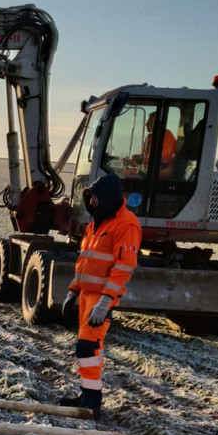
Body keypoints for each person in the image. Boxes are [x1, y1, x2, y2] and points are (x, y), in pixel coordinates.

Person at [59, 173, 141, 420]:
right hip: (86, 296)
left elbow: (123, 269)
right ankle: (88, 395)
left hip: (100, 300)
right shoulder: (97, 223)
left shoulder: (126, 225)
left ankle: (92, 400)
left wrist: (105, 303)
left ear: (106, 198)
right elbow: (85, 261)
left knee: (87, 347)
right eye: (90, 198)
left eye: (94, 198)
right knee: (89, 349)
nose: (91, 203)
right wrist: (73, 290)